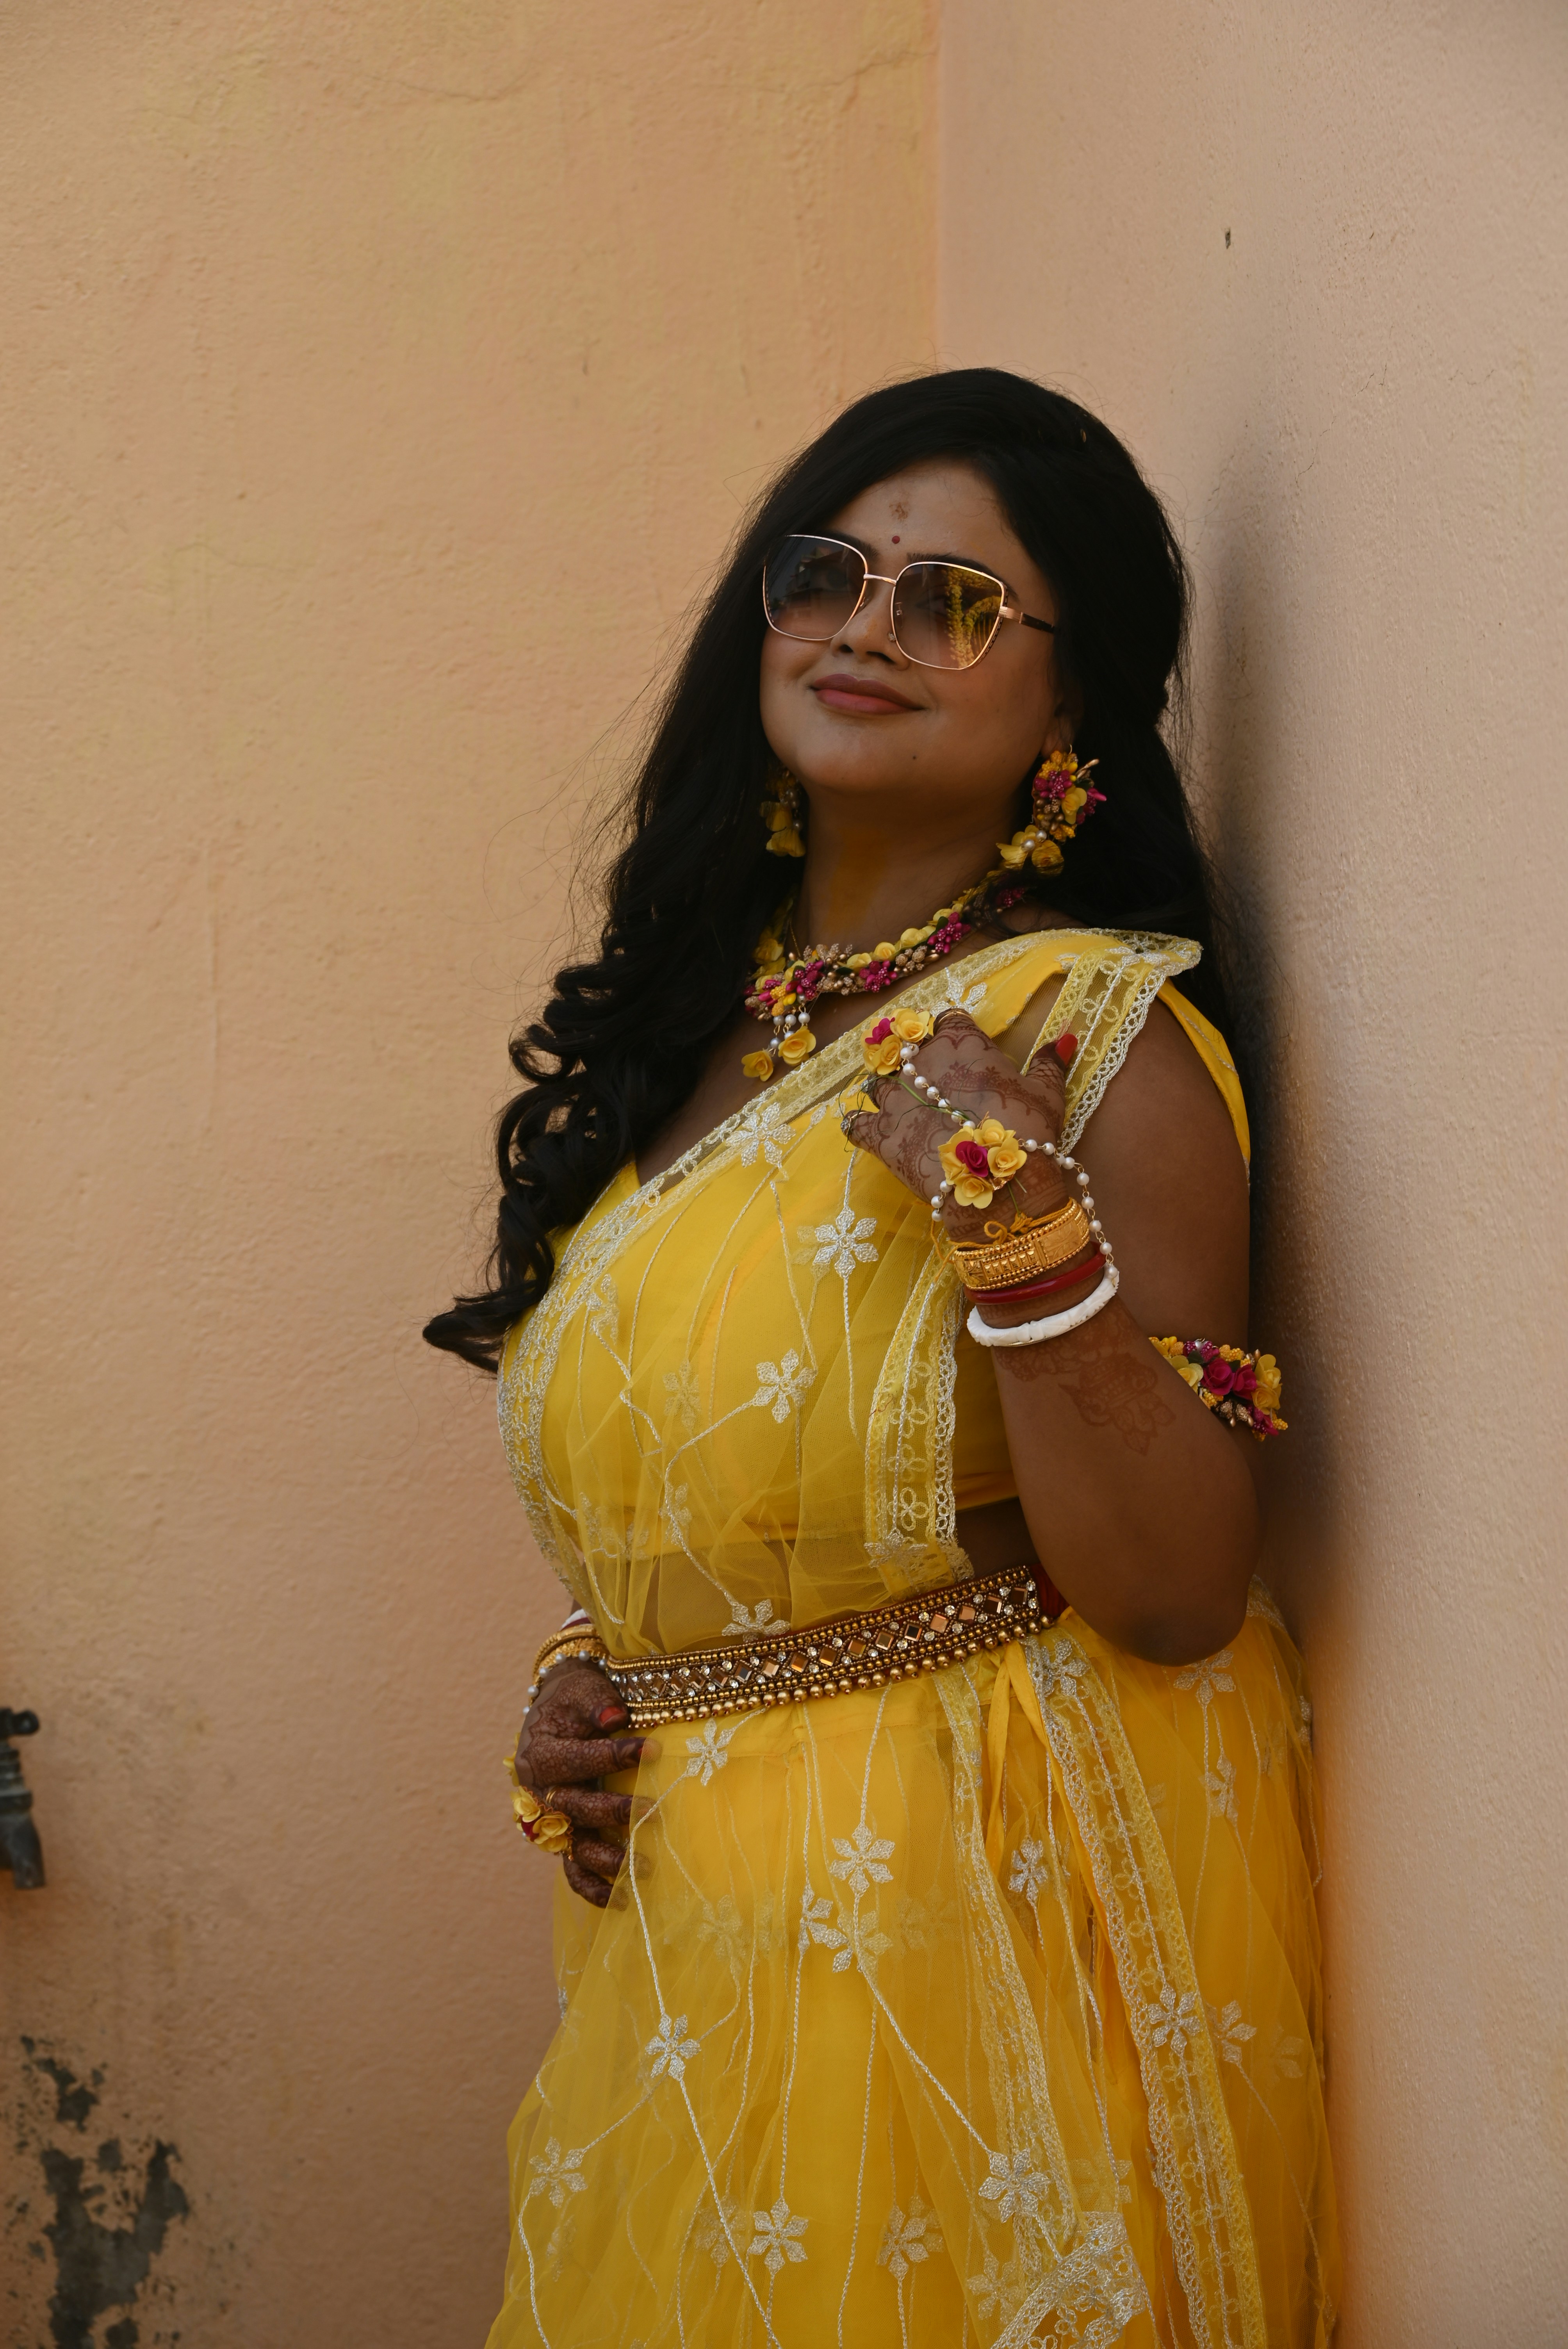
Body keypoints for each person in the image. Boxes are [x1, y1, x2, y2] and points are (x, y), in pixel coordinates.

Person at [426, 369, 1338, 2349]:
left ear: (1072, 705)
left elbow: (1176, 1589)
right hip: (702, 1957)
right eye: (827, 572)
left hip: (968, 1935)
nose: (863, 626)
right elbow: (756, 1497)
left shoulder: (1092, 1035)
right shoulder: (699, 1036)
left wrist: (1018, 1234)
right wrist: (611, 1678)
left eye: (953, 603)